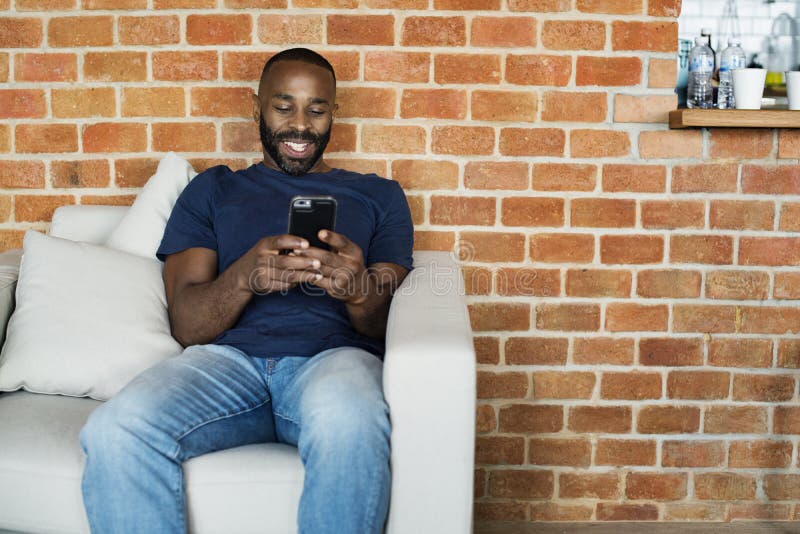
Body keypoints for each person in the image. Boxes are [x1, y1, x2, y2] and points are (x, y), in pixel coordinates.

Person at [79, 48, 414, 534]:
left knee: (350, 423)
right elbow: (188, 325)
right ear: (254, 106)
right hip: (227, 365)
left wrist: (359, 290)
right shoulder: (213, 190)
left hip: (334, 361)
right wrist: (244, 277)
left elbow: (390, 320)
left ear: (333, 113)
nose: (300, 126)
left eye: (317, 110)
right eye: (283, 107)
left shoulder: (380, 195)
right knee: (116, 429)